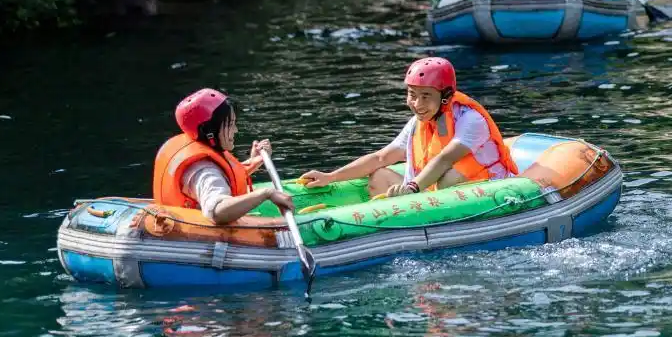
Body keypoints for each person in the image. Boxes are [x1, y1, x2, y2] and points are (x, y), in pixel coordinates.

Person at [300, 58, 519, 198]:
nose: (417, 104)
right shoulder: (418, 123)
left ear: (445, 97)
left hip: (488, 190)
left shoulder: (471, 120)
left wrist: (411, 188)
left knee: (448, 178)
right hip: (431, 191)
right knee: (379, 176)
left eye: (426, 96)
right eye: (412, 95)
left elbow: (444, 159)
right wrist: (331, 176)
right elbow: (380, 158)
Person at [153, 89, 294, 225]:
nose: (236, 130)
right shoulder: (204, 171)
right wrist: (266, 193)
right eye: (231, 124)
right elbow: (216, 211)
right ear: (209, 132)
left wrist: (253, 161)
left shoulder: (197, 146)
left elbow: (223, 177)